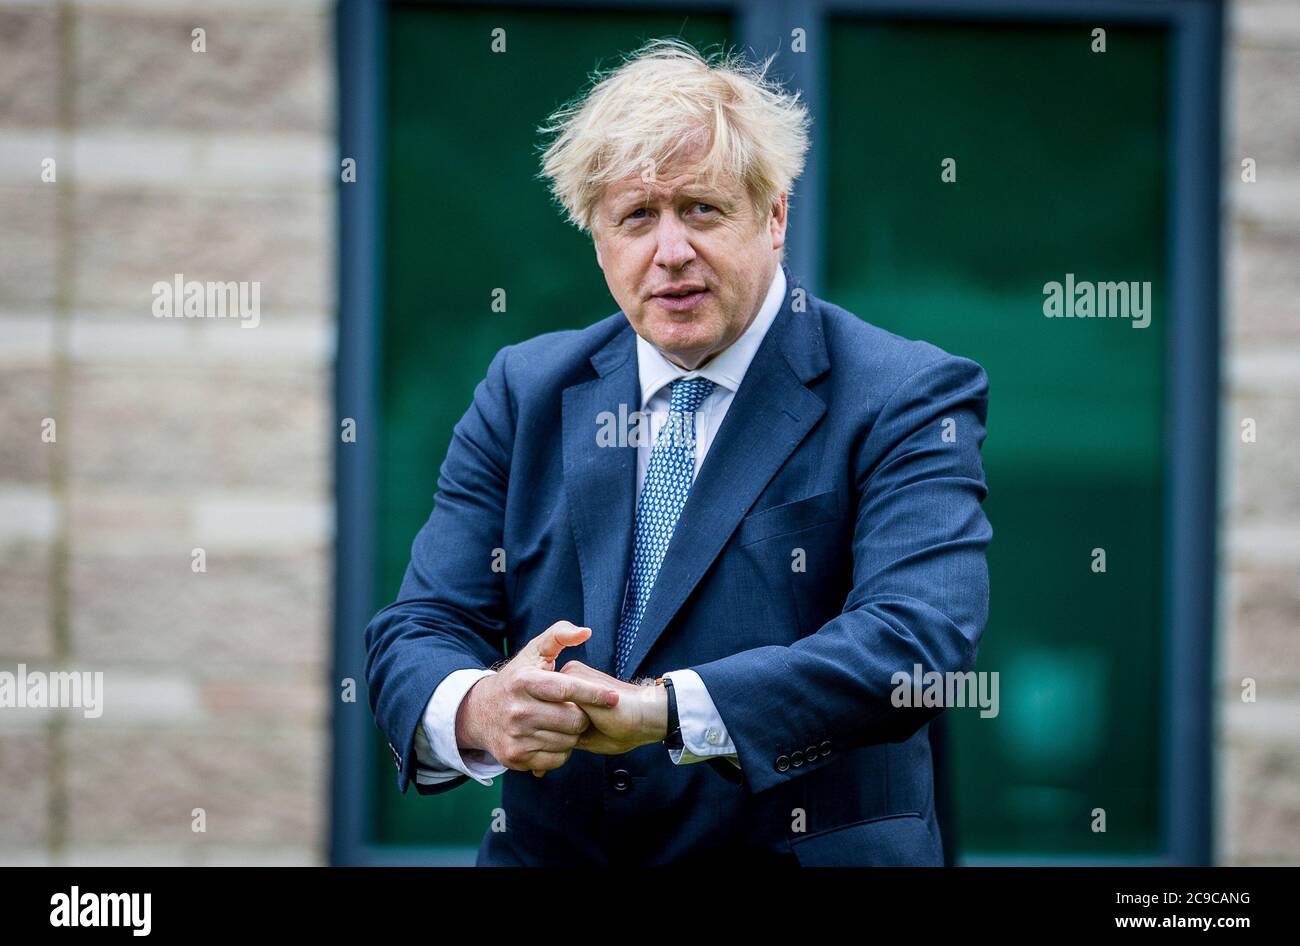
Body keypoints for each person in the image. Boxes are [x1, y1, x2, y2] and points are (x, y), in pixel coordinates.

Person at [364, 37, 991, 866]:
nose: (670, 251)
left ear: (773, 218)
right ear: (598, 241)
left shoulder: (904, 392)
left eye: (701, 208)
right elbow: (420, 626)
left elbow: (919, 641)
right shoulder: (524, 391)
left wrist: (665, 711)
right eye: (635, 217)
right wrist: (480, 708)